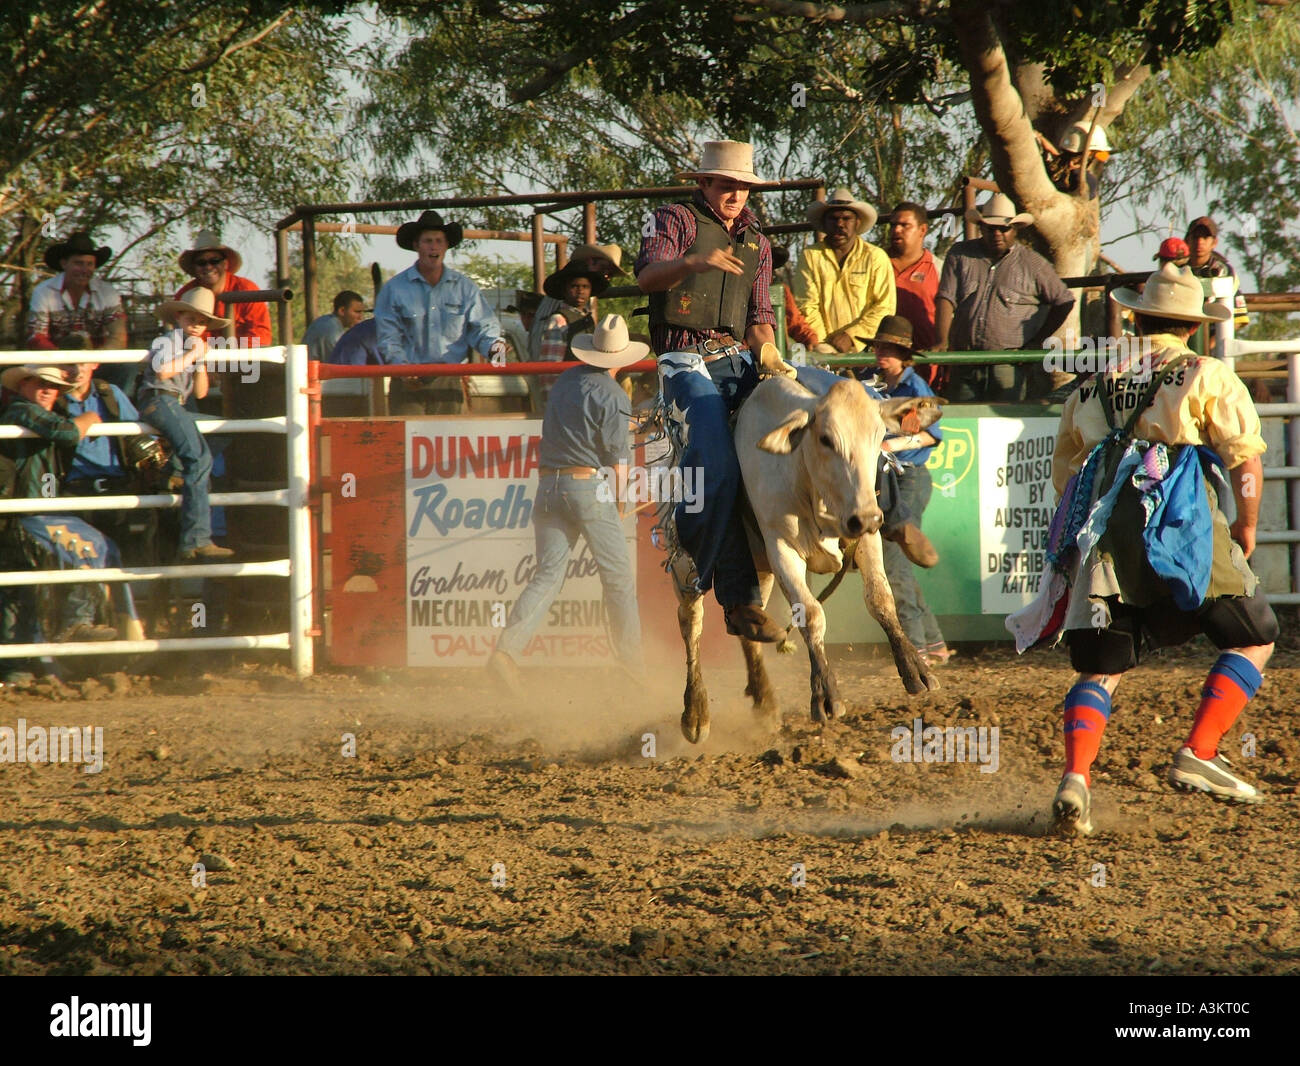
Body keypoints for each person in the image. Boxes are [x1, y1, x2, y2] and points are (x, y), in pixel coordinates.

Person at [1008, 263, 1276, 835]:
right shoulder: (1206, 373)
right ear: (1192, 326)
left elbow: (1065, 472)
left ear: (1137, 318)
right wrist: (1246, 525)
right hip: (1181, 519)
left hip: (1106, 526)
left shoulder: (1093, 381)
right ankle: (1199, 751)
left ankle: (1076, 778)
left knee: (1101, 666)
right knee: (1255, 634)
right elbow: (1244, 455)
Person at [634, 138, 789, 642]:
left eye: (743, 187)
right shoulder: (673, 220)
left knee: (792, 435)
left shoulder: (757, 242)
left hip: (737, 358)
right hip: (682, 359)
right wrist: (693, 263)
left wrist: (770, 354)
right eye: (725, 185)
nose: (735, 195)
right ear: (703, 183)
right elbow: (648, 278)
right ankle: (738, 598)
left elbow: (759, 318)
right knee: (717, 461)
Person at [485, 315, 645, 692]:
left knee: (548, 574)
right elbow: (618, 462)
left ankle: (505, 652)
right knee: (618, 578)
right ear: (621, 357)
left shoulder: (565, 381)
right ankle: (632, 666)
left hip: (548, 487)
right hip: (585, 487)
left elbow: (582, 424)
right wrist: (621, 503)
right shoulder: (615, 396)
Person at [0, 365, 124, 662]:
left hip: (26, 513)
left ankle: (23, 665)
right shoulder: (22, 410)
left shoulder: (34, 414)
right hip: (25, 515)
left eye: (53, 386)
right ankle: (75, 624)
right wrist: (89, 418)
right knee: (89, 546)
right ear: (23, 385)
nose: (47, 390)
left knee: (23, 590)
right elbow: (66, 433)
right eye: (39, 383)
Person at [935, 193, 1075, 401]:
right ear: (981, 228)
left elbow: (1064, 301)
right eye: (991, 228)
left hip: (1008, 361)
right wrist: (941, 341)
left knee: (1004, 416)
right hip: (965, 359)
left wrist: (1036, 342)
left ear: (1015, 229)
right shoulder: (960, 254)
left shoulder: (1033, 263)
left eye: (1003, 228)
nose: (997, 234)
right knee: (961, 416)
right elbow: (946, 298)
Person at [870, 316, 952, 666]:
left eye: (890, 348)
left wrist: (890, 445)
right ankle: (932, 642)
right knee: (898, 561)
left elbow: (930, 435)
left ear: (904, 354)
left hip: (908, 477)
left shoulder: (914, 387)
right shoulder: (874, 383)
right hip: (889, 478)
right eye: (880, 346)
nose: (882, 353)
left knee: (893, 561)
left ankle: (915, 647)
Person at [373, 210, 507, 414]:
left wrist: (494, 348)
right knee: (409, 434)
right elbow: (388, 336)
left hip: (449, 380)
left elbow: (482, 328)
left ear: (446, 246)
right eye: (427, 241)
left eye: (438, 241)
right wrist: (402, 368)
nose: (433, 246)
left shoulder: (465, 288)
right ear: (416, 246)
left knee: (447, 434)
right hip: (407, 380)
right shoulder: (394, 289)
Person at [137, 288, 235, 561]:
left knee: (225, 430)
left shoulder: (192, 347)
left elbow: (200, 393)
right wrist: (193, 355)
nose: (196, 326)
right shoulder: (167, 340)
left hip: (173, 404)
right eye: (191, 319)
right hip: (159, 399)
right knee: (200, 460)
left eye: (202, 322)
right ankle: (196, 538)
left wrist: (200, 360)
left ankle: (175, 470)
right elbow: (162, 372)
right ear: (178, 317)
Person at [57, 361, 163, 568]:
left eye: (83, 363)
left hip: (114, 487)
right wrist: (50, 493)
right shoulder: (55, 397)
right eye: (70, 364)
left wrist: (148, 459)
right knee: (78, 560)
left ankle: (116, 589)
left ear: (94, 364)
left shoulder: (109, 393)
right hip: (72, 491)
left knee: (115, 556)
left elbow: (140, 435)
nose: (77, 371)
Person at [797, 188, 894, 353]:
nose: (840, 224)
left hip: (867, 350)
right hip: (822, 350)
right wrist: (825, 345)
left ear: (857, 222)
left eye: (846, 218)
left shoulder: (875, 257)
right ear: (824, 223)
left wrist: (851, 336)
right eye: (833, 219)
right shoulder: (810, 256)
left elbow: (885, 307)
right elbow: (806, 305)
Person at [28, 232, 127, 355]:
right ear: (64, 264)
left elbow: (118, 336)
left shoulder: (107, 292)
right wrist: (63, 359)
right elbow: (36, 337)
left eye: (89, 264)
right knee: (35, 367)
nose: (85, 270)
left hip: (98, 359)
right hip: (54, 359)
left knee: (125, 364)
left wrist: (94, 360)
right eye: (79, 263)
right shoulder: (43, 291)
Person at [529, 243, 624, 361]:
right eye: (603, 268)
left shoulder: (583, 310)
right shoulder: (560, 309)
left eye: (609, 274)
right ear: (590, 262)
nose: (606, 276)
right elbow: (548, 350)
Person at [176, 231, 272, 347]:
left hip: (242, 355)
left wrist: (228, 350)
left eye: (214, 261)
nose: (208, 267)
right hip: (198, 354)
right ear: (194, 268)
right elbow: (178, 335)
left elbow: (262, 336)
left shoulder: (246, 290)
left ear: (225, 264)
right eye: (201, 263)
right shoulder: (185, 295)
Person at [887, 201, 942, 387]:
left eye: (905, 225)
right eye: (893, 225)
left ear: (922, 230)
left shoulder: (938, 268)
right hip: (883, 364)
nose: (897, 230)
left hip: (925, 365)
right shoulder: (876, 264)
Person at [1185, 216, 1249, 330]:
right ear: (1187, 240)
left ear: (1214, 242)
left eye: (1205, 237)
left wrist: (1214, 340)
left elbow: (1239, 319)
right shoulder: (1177, 270)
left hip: (1214, 333)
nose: (1200, 242)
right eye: (1195, 237)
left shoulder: (1224, 271)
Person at [302, 290, 365, 363]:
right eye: (357, 312)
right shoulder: (331, 329)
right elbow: (341, 363)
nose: (360, 317)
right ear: (342, 311)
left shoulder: (326, 322)